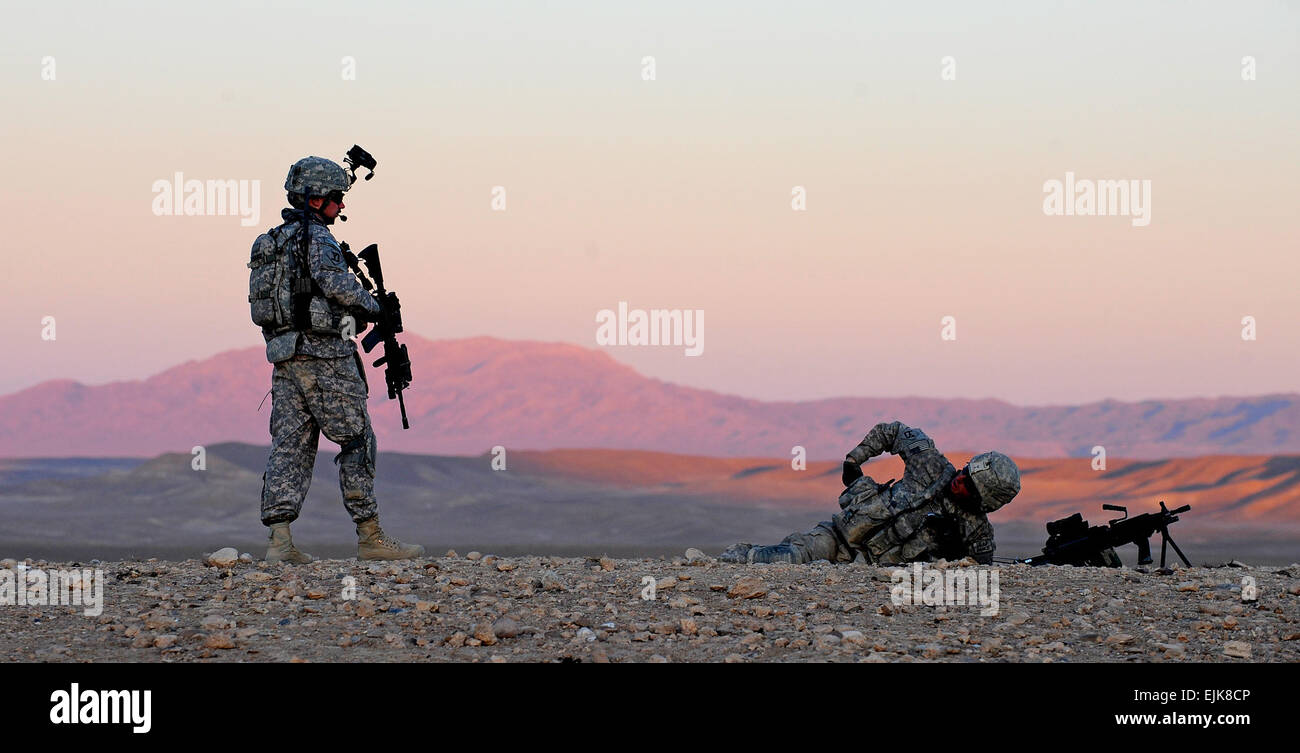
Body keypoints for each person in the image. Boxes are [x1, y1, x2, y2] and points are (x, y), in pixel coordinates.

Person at [247, 156, 424, 563]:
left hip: (286, 355)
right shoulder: (318, 240)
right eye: (335, 198)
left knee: (291, 444)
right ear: (315, 199)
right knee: (357, 439)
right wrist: (376, 307)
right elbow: (335, 283)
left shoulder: (272, 242)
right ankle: (370, 536)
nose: (341, 206)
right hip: (326, 356)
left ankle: (279, 541)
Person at [718, 421, 1020, 565]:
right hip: (841, 538)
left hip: (875, 572)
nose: (959, 482)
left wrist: (953, 553)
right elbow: (894, 431)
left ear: (985, 502)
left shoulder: (977, 531)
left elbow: (980, 572)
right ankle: (736, 557)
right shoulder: (930, 462)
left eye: (968, 486)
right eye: (965, 472)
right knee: (790, 558)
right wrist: (855, 458)